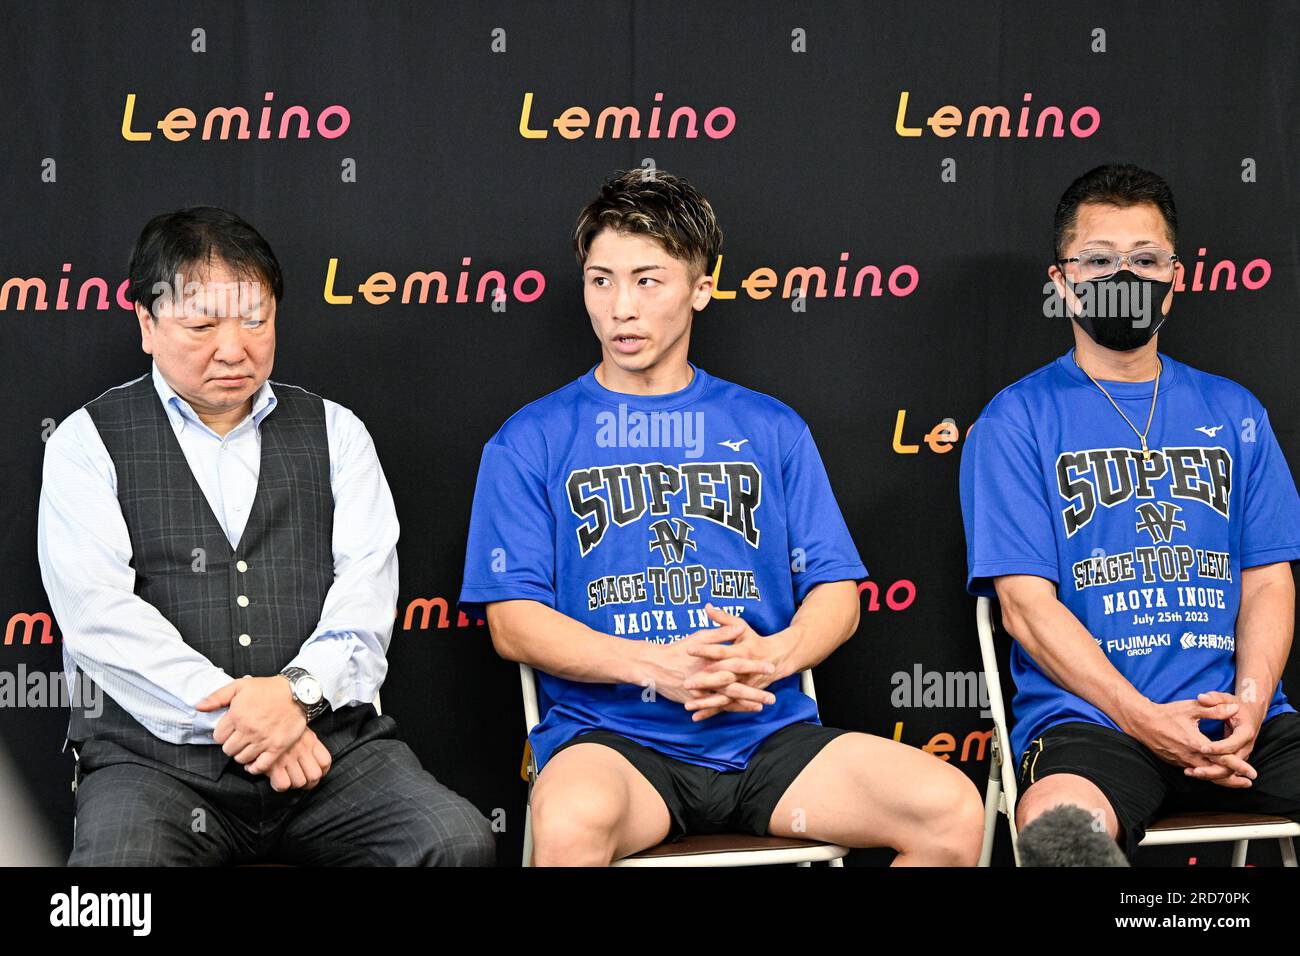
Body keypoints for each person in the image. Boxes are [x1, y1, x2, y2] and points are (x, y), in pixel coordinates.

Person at [459, 169, 984, 866]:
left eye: (648, 280)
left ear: (701, 287)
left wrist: (774, 656)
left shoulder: (769, 427)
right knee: (570, 820)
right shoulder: (531, 439)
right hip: (617, 744)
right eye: (600, 280)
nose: (621, 308)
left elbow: (837, 592)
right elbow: (513, 621)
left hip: (766, 738)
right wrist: (660, 668)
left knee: (950, 811)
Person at [39, 207, 495, 866]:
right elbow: (98, 617)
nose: (233, 348)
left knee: (454, 840)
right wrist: (255, 725)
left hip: (331, 753)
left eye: (255, 320)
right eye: (201, 325)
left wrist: (298, 700)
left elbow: (365, 596)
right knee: (118, 878)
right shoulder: (88, 441)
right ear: (146, 323)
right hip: (156, 765)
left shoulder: (336, 432)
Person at [960, 163, 1300, 863]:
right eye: (1099, 260)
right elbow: (1024, 607)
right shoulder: (1015, 421)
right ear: (1062, 282)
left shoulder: (1235, 412)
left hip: (1237, 718)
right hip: (1094, 725)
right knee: (1061, 834)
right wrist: (1143, 719)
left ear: (1177, 281)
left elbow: (1267, 580)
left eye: (1146, 260)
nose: (1125, 276)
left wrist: (1252, 704)